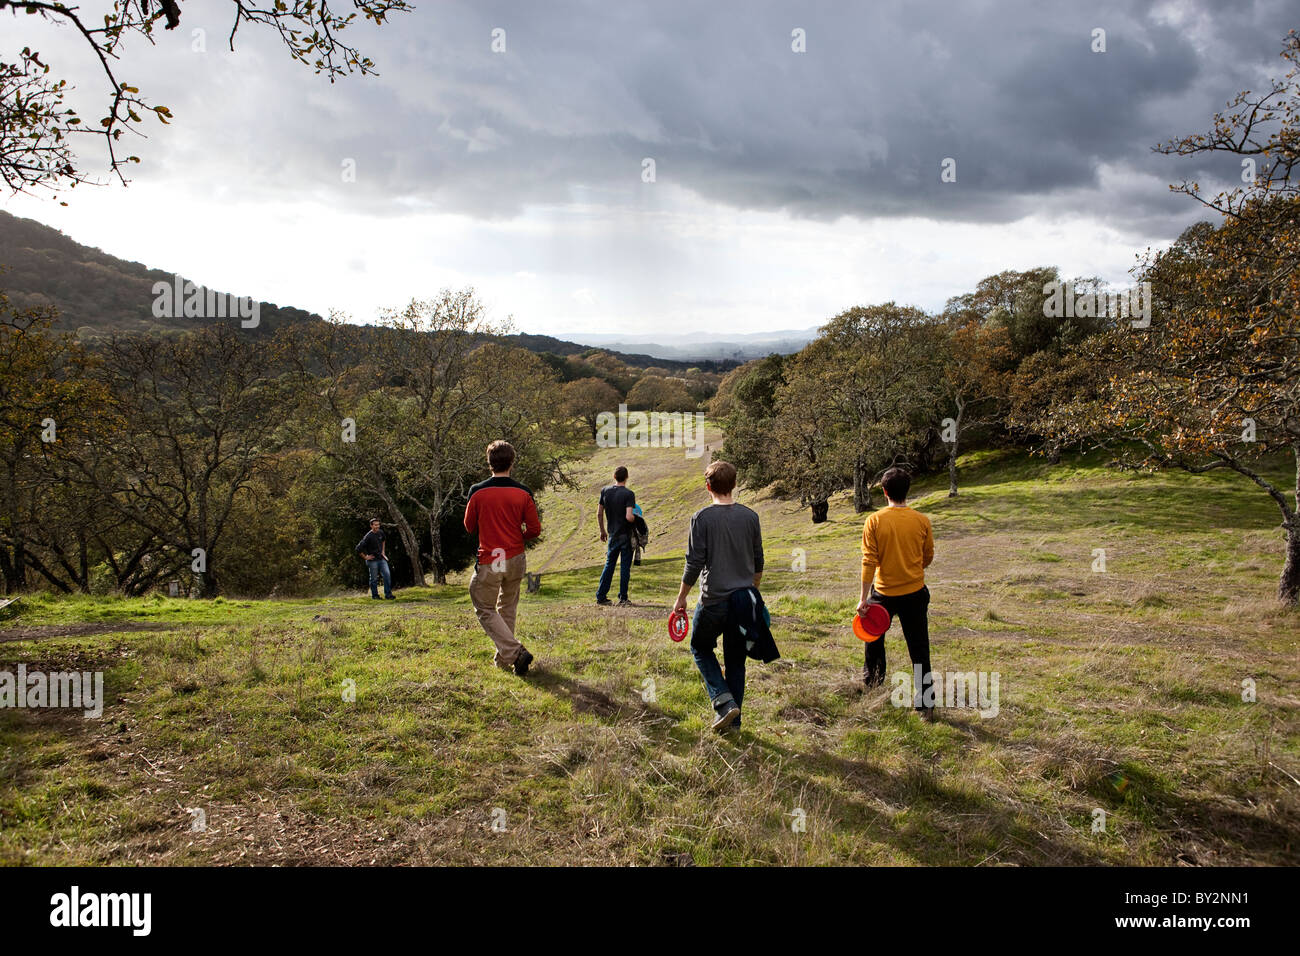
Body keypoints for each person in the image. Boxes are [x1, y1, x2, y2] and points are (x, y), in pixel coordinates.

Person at [672, 460, 765, 733]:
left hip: (712, 602)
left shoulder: (701, 518)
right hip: (742, 602)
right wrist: (753, 593)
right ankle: (733, 724)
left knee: (700, 648)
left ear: (707, 487)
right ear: (734, 485)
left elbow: (693, 563)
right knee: (736, 660)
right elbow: (759, 562)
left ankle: (724, 704)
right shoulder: (751, 517)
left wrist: (681, 598)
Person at [858, 467, 936, 717]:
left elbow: (869, 561)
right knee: (919, 647)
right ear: (907, 491)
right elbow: (928, 557)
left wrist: (862, 599)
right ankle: (925, 703)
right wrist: (911, 569)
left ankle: (873, 685)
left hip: (883, 593)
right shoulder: (922, 520)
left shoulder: (874, 521)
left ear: (884, 491)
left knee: (873, 639)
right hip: (915, 592)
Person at [464, 440, 542, 676]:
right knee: (507, 606)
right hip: (516, 556)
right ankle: (504, 660)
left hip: (491, 557)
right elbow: (535, 530)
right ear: (512, 462)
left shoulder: (477, 491)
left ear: (489, 463)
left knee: (484, 607)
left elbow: (469, 526)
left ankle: (515, 652)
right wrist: (519, 534)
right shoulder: (523, 492)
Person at [596, 465, 636, 606]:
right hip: (625, 534)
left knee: (609, 565)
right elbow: (629, 516)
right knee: (625, 567)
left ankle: (601, 596)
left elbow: (599, 513)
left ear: (614, 477)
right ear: (626, 477)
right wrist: (636, 518)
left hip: (612, 534)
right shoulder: (628, 494)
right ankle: (623, 597)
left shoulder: (605, 491)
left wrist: (602, 531)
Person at [355, 517, 394, 600]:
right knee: (374, 579)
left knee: (387, 575)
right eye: (375, 525)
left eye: (378, 525)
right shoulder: (368, 536)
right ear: (371, 526)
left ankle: (388, 595)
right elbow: (358, 549)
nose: (377, 526)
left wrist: (383, 552)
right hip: (373, 561)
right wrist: (366, 557)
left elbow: (383, 540)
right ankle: (375, 596)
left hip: (381, 559)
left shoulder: (381, 532)